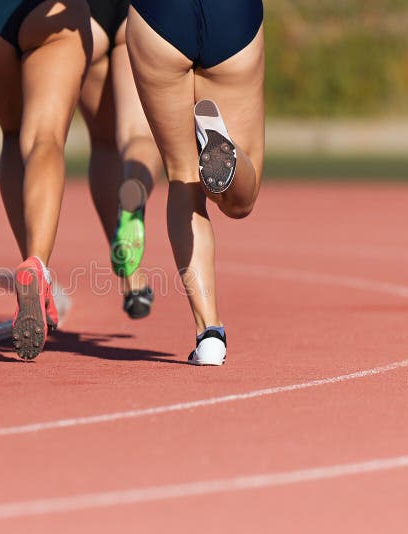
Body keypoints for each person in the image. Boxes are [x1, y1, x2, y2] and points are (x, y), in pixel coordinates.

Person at [126, 0, 266, 365]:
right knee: (240, 204)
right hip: (231, 14)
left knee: (183, 175)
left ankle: (210, 336)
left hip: (160, 18)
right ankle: (226, 151)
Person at [0, 0, 93, 360]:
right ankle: (36, 264)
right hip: (51, 14)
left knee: (14, 134)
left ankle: (33, 271)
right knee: (44, 138)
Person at [78, 0, 163, 320]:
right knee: (138, 135)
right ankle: (135, 194)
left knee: (103, 143)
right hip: (138, 12)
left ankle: (133, 281)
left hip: (87, 15)